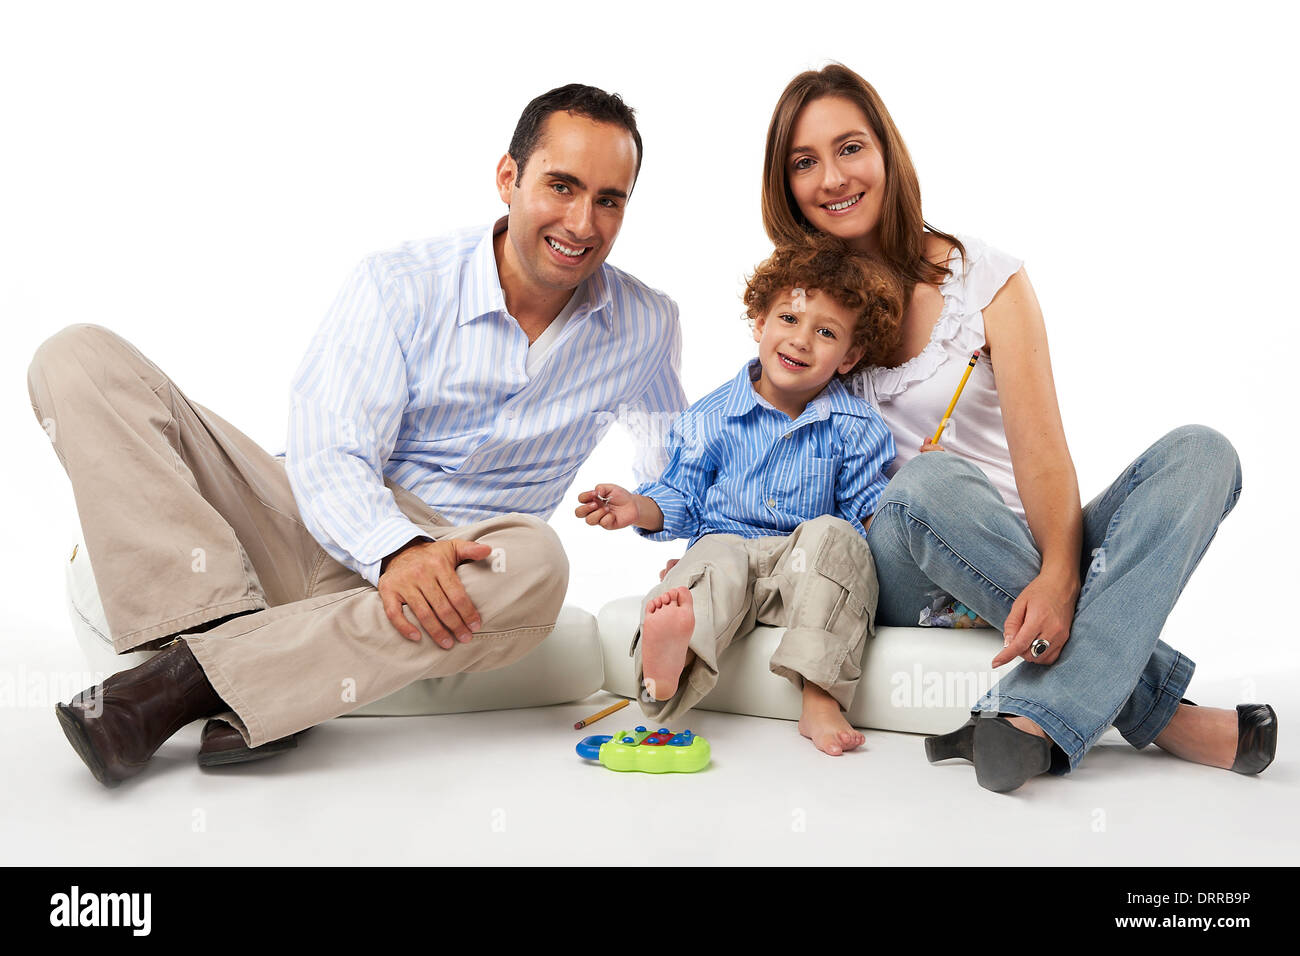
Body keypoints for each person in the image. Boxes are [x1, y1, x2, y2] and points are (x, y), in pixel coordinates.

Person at [28, 83, 686, 787]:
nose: (583, 223)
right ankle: (247, 654)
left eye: (610, 200)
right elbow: (330, 448)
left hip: (462, 569)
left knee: (540, 563)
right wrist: (394, 548)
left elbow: (679, 462)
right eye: (562, 186)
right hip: (300, 522)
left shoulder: (646, 324)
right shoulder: (402, 282)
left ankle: (176, 682)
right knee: (77, 357)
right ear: (508, 178)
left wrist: (688, 543)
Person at [754, 63, 1275, 790]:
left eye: (849, 148)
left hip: (1019, 546)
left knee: (1202, 454)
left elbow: (1044, 455)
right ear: (787, 187)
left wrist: (1061, 575)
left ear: (886, 154)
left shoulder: (984, 276)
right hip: (907, 561)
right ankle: (1168, 715)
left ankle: (1030, 724)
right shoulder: (798, 308)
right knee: (926, 482)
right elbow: (763, 452)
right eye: (804, 163)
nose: (833, 177)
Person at [576, 241, 900, 755]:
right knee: (706, 565)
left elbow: (865, 513)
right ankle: (667, 670)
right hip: (727, 551)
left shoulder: (856, 426)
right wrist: (639, 506)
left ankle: (819, 695)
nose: (802, 340)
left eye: (826, 332)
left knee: (837, 538)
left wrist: (905, 500)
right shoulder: (710, 417)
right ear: (758, 323)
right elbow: (684, 495)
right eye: (789, 318)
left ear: (850, 357)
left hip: (801, 567)